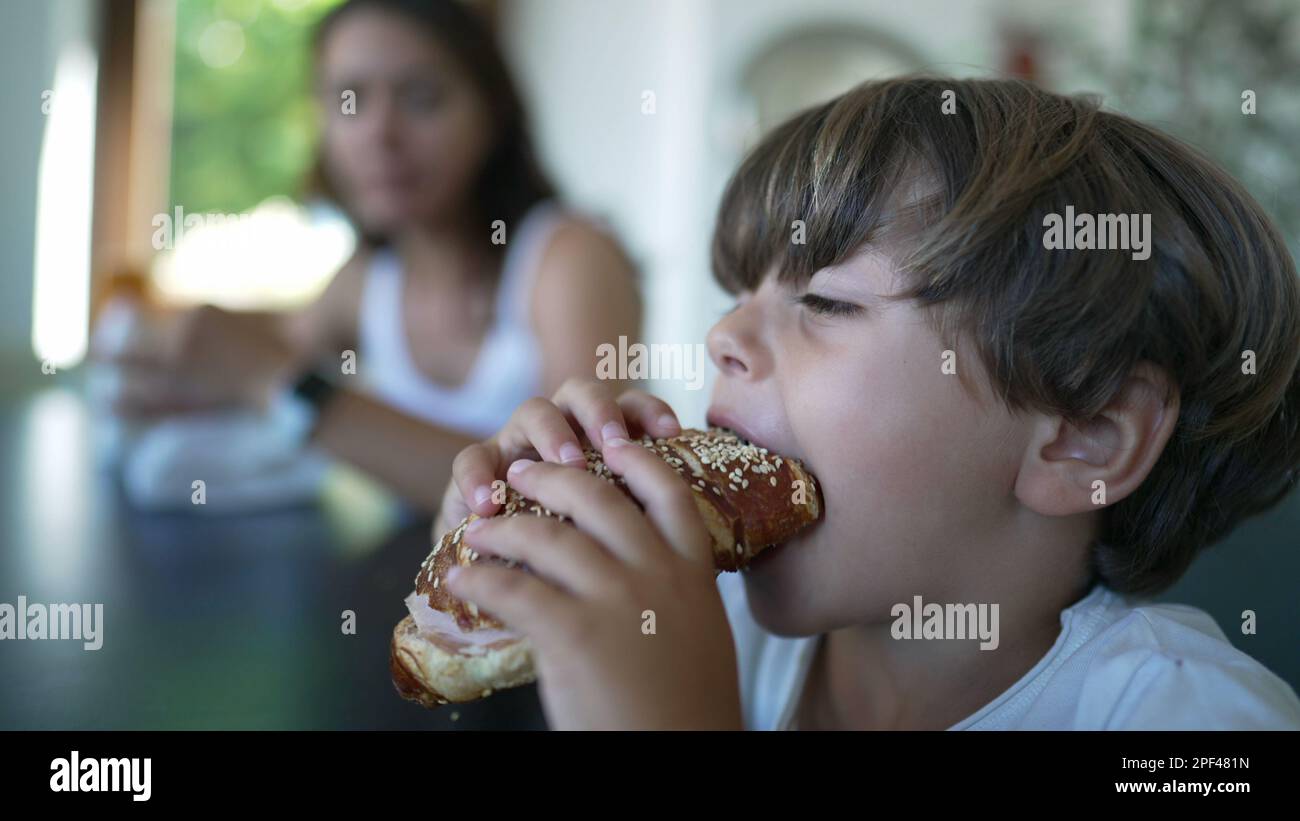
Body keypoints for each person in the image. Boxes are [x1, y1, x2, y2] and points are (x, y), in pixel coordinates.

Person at [426, 77, 1300, 730]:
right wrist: (480, 582)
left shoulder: (1194, 721)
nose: (723, 334)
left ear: (1086, 435)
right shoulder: (697, 617)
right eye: (737, 292)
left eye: (825, 301)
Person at [101, 0, 641, 513]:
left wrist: (286, 385)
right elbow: (268, 356)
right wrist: (172, 373)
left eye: (422, 97)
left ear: (491, 116)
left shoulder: (570, 257)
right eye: (349, 99)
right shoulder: (369, 277)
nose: (379, 134)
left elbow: (567, 487)